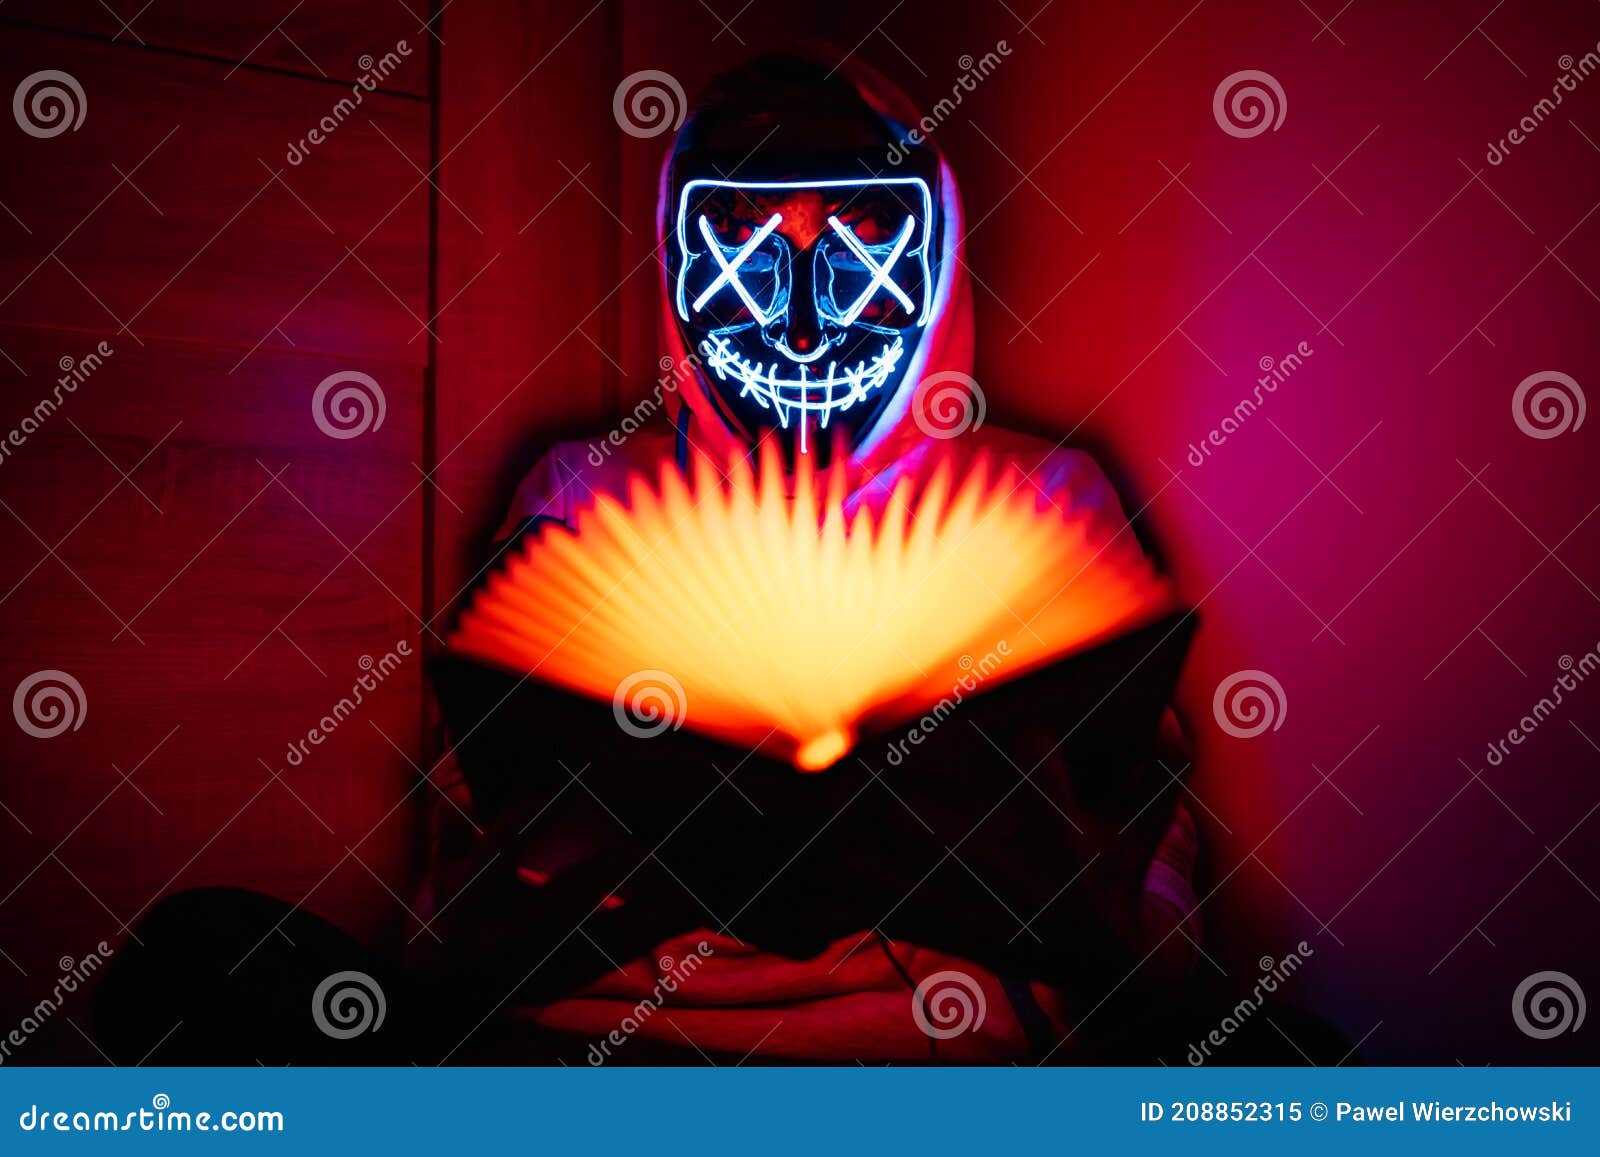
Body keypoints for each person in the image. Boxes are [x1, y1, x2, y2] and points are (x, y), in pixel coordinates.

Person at [95, 51, 1227, 1067]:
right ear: (678, 260)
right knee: (199, 958)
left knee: (1296, 1061)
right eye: (741, 236)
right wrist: (601, 850)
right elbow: (451, 897)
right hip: (584, 1046)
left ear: (935, 248)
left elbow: (1157, 928)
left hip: (926, 1059)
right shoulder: (583, 488)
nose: (798, 325)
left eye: (858, 238)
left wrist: (1021, 867)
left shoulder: (1037, 499)